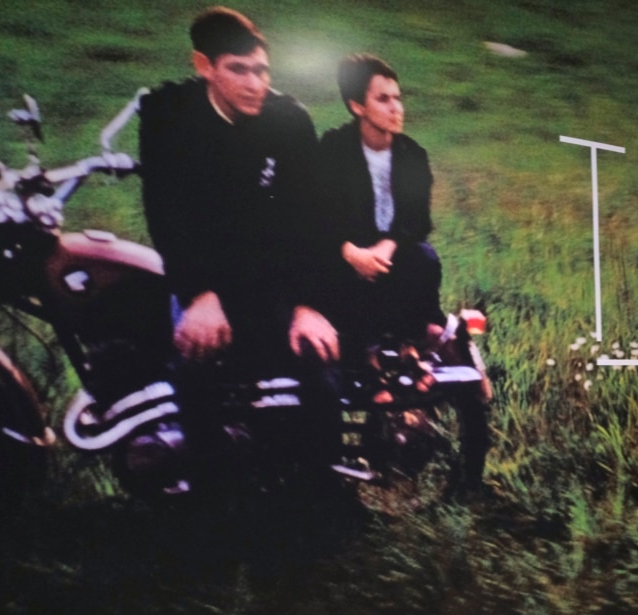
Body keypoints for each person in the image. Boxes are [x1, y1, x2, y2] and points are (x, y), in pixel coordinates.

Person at [132, 7, 339, 492]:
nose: (254, 83)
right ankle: (209, 497)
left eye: (262, 70)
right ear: (204, 66)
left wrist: (308, 305)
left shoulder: (289, 122)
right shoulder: (168, 114)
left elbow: (312, 221)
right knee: (194, 367)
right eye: (238, 70)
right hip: (205, 270)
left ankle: (322, 495)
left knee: (319, 371)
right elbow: (164, 211)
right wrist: (200, 294)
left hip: (272, 275)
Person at [316, 53, 444, 355]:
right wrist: (351, 253)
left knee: (424, 258)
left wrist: (387, 245)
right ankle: (365, 351)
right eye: (383, 99)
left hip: (390, 254)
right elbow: (320, 216)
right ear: (357, 106)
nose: (396, 108)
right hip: (348, 255)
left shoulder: (412, 154)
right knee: (335, 273)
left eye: (398, 98)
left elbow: (418, 220)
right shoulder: (333, 150)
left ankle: (409, 345)